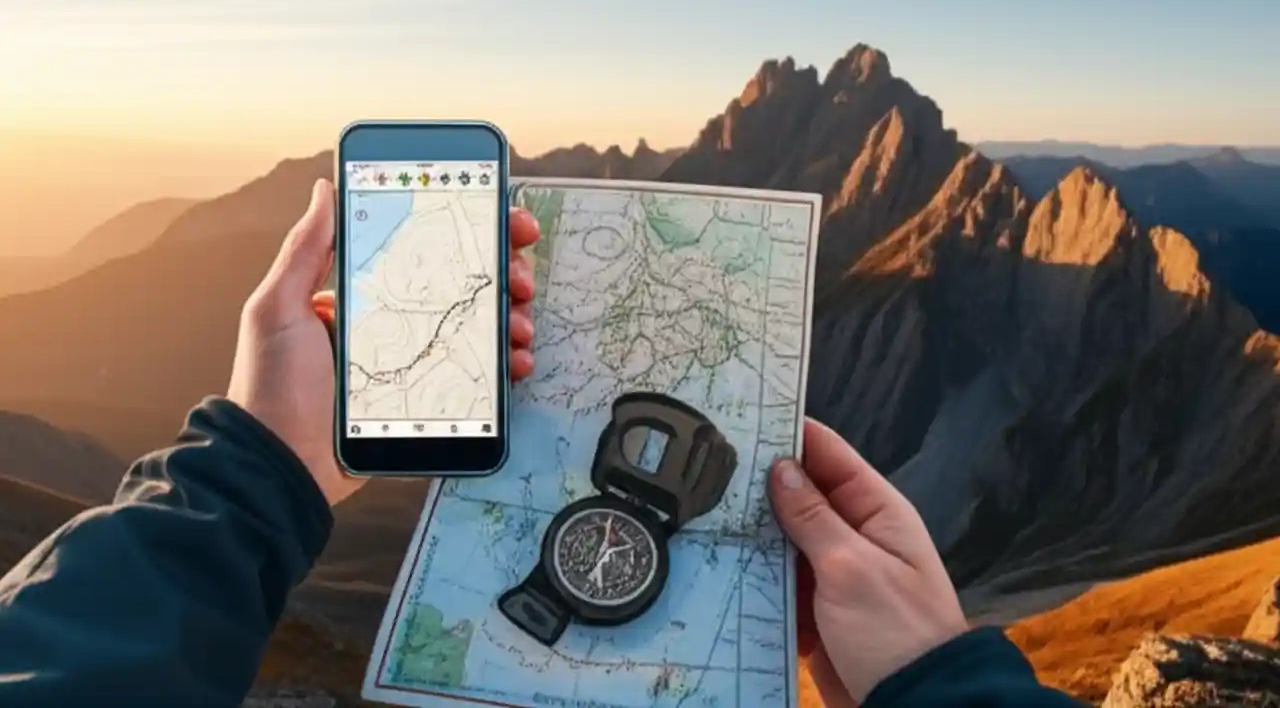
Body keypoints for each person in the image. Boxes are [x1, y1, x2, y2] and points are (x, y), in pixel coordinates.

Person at [0, 180, 1080, 707]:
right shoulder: (608, 544)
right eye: (606, 552)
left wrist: (254, 467)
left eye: (613, 557)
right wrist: (944, 688)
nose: (613, 553)